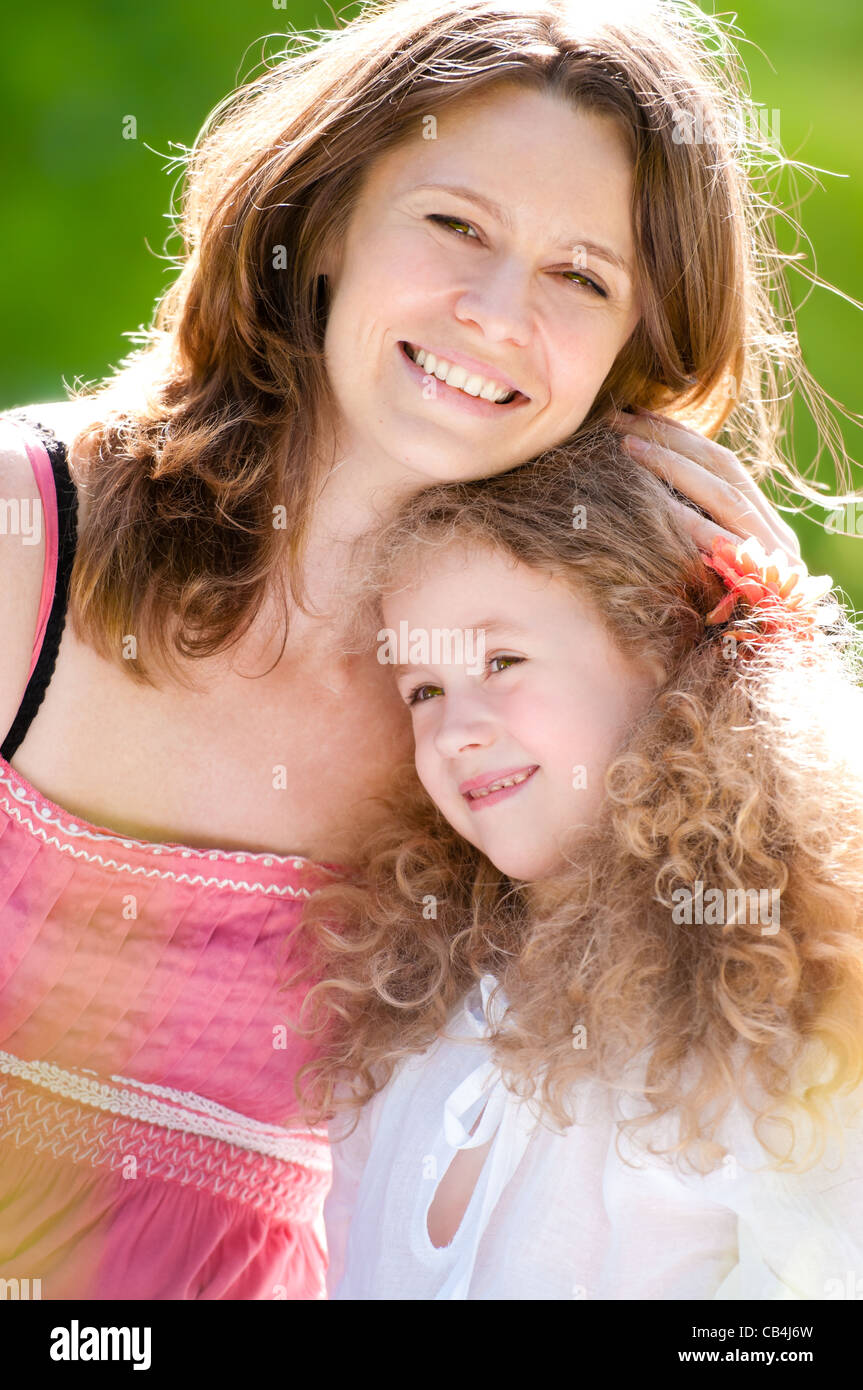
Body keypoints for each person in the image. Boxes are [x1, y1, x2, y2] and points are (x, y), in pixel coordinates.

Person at [0, 0, 852, 1297]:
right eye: (454, 224)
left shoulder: (573, 702)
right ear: (325, 218)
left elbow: (786, 1049)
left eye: (582, 275)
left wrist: (769, 657)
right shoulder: (30, 540)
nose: (496, 311)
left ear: (631, 343)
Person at [296, 425, 863, 1300]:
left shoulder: (790, 1022)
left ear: (668, 646)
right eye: (423, 689)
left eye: (502, 659)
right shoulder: (413, 1010)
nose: (455, 728)